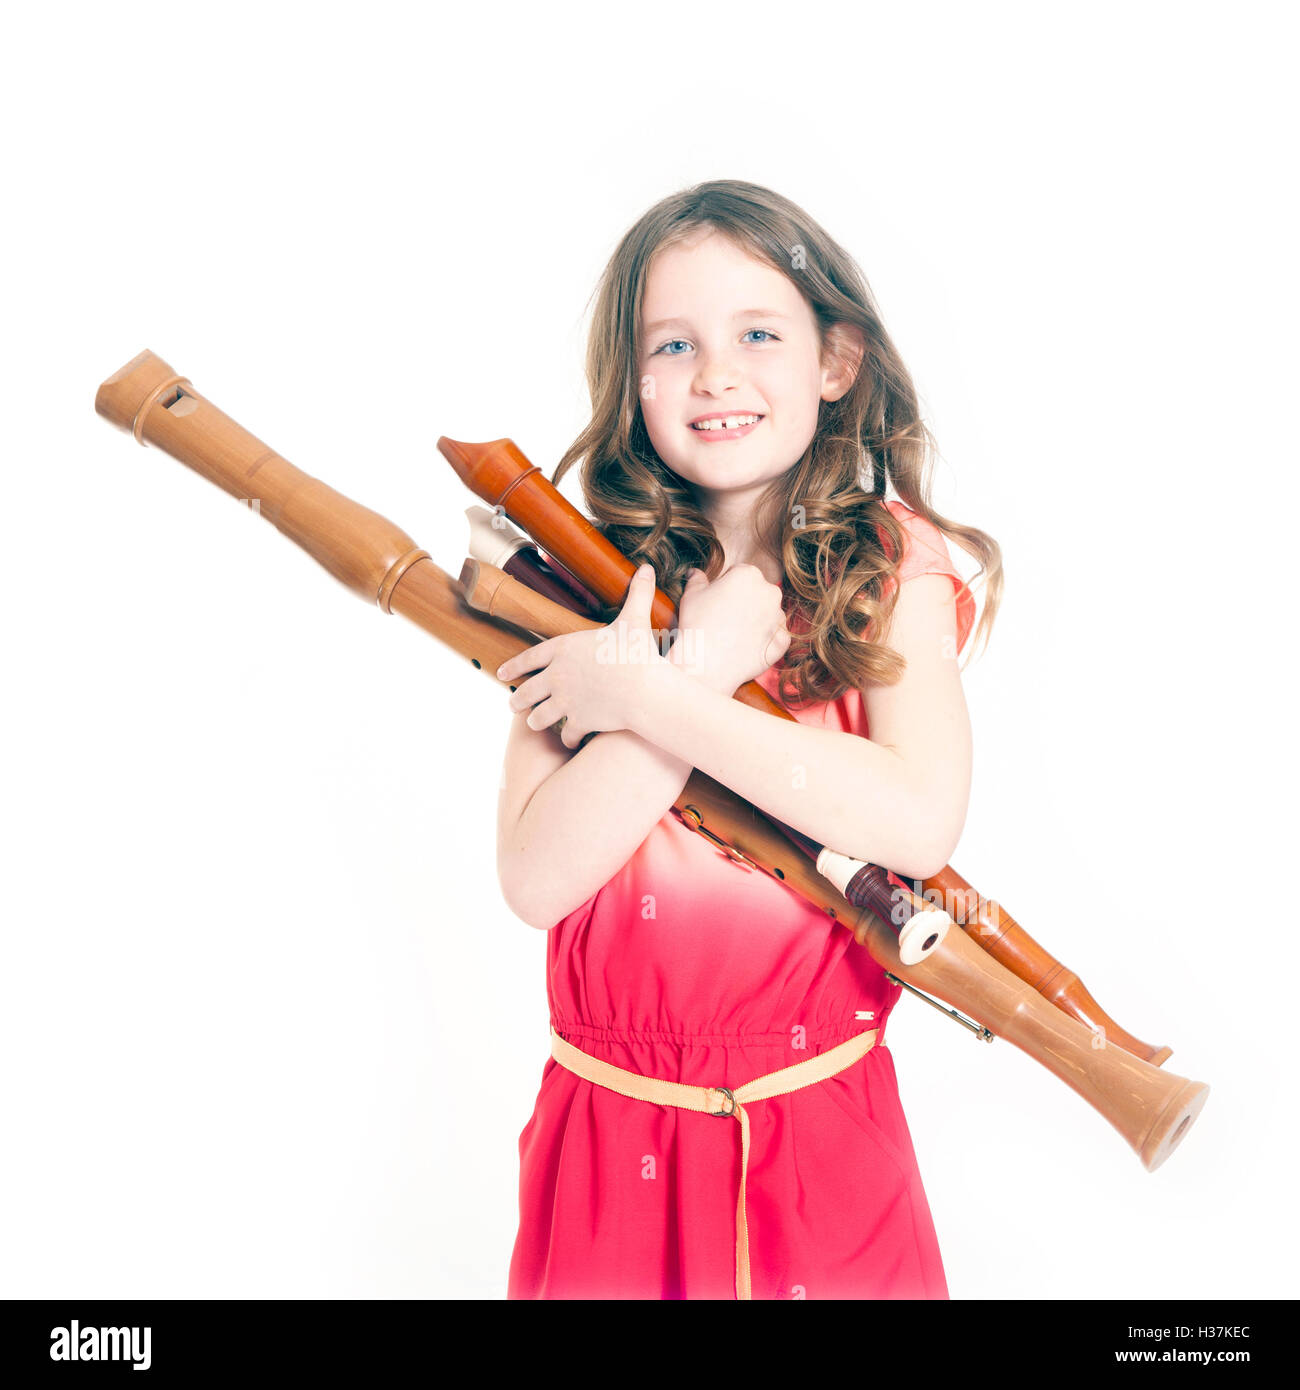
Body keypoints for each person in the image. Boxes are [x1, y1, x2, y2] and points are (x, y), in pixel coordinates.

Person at [494, 179, 1003, 1300]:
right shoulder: (572, 581)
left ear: (836, 362)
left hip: (817, 1128)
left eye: (757, 334)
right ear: (631, 383)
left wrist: (670, 696)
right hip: (605, 1128)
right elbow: (538, 877)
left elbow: (915, 817)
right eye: (670, 344)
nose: (714, 374)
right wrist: (697, 663)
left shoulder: (887, 565)